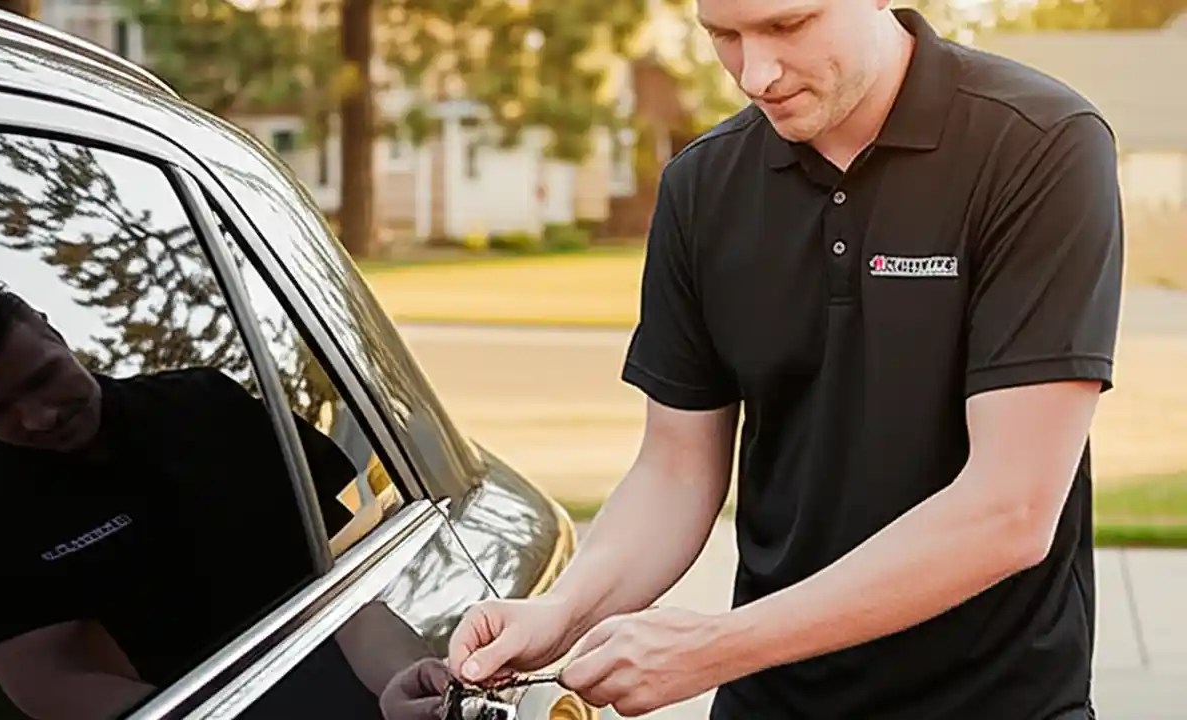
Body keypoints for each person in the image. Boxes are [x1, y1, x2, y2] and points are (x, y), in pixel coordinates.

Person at [447, 2, 1123, 719]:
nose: (755, 74)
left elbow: (1009, 510)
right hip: (771, 702)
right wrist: (564, 610)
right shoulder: (702, 186)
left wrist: (716, 647)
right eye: (725, 37)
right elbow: (676, 469)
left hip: (994, 705)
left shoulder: (1039, 146)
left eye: (787, 26)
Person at [0, 279, 358, 720]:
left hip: (362, 652)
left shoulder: (210, 403)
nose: (40, 417)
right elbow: (53, 680)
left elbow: (351, 529)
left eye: (43, 378)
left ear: (55, 333)